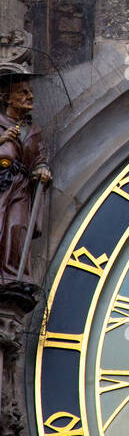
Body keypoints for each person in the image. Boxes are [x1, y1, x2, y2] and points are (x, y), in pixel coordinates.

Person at [0, 75, 51, 286]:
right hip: (2, 184)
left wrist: (42, 169)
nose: (31, 96)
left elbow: (38, 158)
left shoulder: (33, 131)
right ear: (6, 98)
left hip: (21, 187)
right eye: (23, 92)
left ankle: (11, 275)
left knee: (17, 227)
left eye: (30, 92)